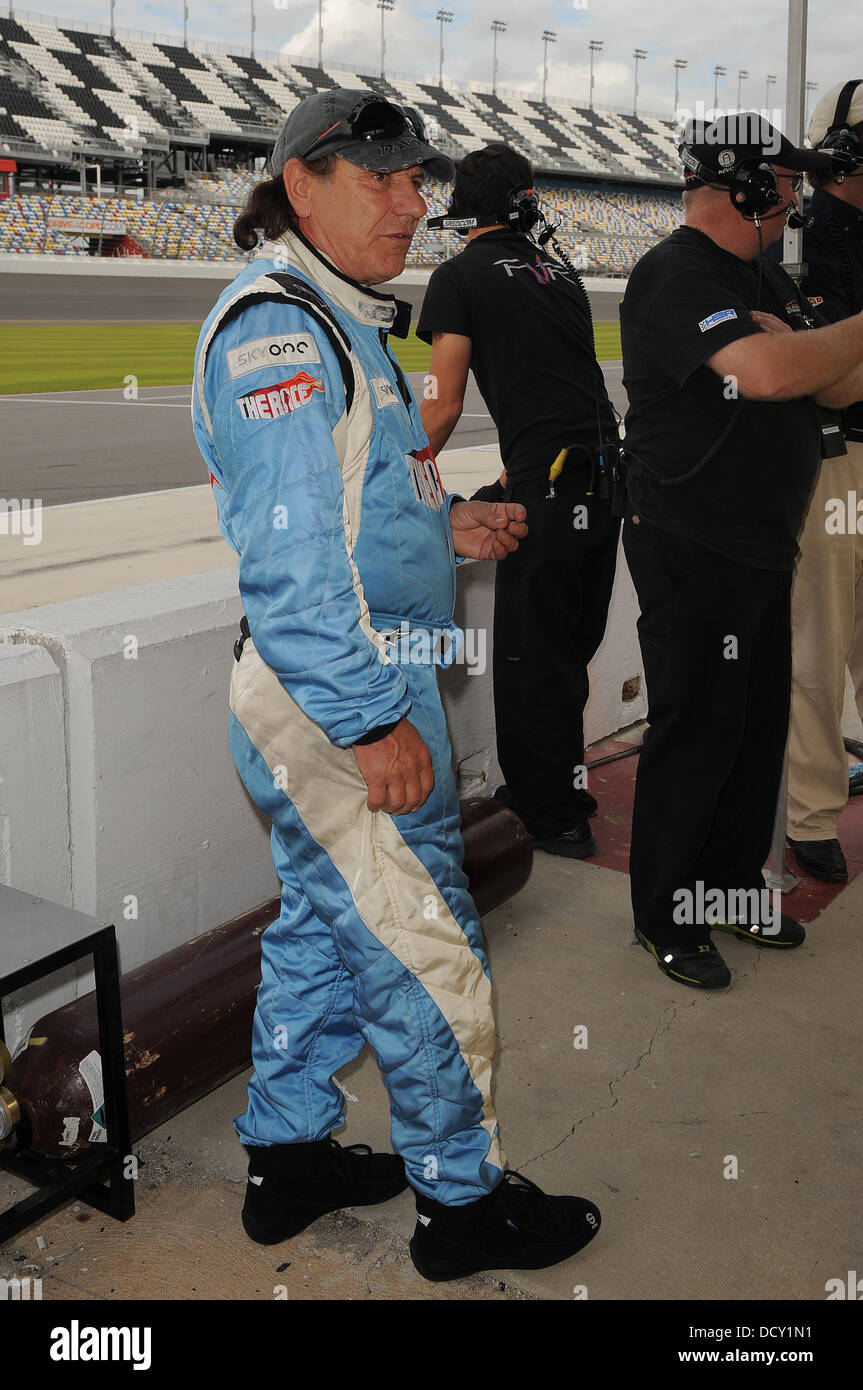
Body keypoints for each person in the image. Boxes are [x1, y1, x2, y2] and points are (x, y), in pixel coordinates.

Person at [191, 88, 601, 1281]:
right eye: (382, 179)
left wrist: (447, 522)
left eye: (417, 180)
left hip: (355, 681)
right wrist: (371, 721)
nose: (411, 202)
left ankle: (285, 1159)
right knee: (425, 944)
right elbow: (292, 568)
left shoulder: (338, 317)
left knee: (324, 931)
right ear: (301, 182)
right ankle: (461, 1209)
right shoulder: (278, 328)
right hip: (338, 699)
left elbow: (360, 495)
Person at [620, 114, 863, 990]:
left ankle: (725, 893)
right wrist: (786, 349)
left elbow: (832, 377)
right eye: (787, 181)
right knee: (696, 730)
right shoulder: (672, 272)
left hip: (760, 542)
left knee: (755, 733)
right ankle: (665, 917)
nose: (797, 196)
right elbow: (764, 375)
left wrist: (795, 344)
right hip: (691, 540)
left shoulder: (759, 273)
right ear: (749, 184)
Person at [417, 144, 621, 860]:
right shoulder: (557, 270)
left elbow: (439, 405)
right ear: (526, 199)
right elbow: (562, 385)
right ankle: (560, 794)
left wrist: (392, 480)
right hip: (604, 483)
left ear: (460, 209)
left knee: (530, 663)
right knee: (565, 659)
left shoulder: (459, 274)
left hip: (551, 489)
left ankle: (550, 816)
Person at [777, 81, 863, 884]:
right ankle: (808, 815)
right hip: (840, 464)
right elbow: (834, 383)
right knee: (820, 647)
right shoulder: (809, 241)